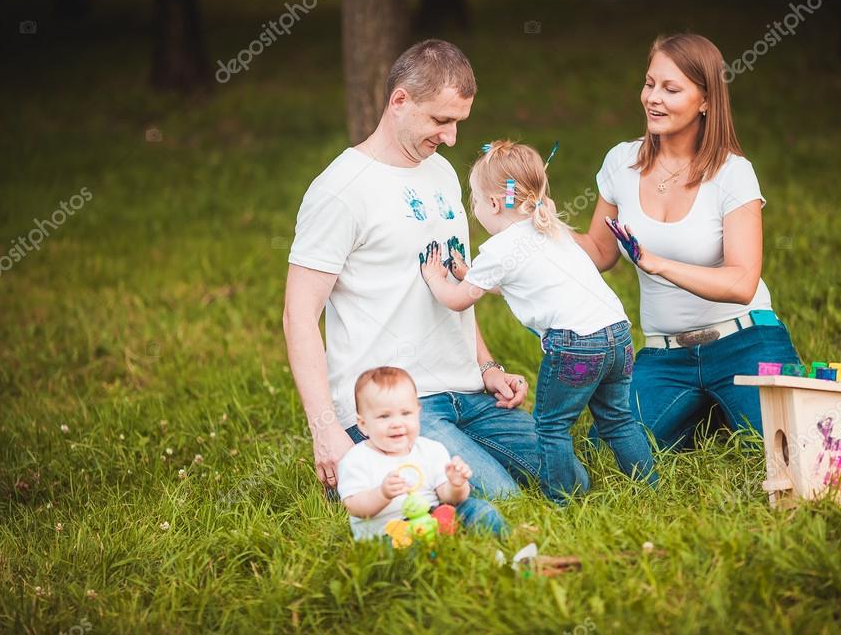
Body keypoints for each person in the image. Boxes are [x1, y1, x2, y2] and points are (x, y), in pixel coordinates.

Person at [284, 39, 554, 499]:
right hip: (395, 408)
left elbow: (454, 285)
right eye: (441, 120)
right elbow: (299, 317)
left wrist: (488, 367)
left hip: (468, 393)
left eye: (458, 123)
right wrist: (325, 432)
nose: (451, 137)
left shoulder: (443, 174)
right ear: (400, 101)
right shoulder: (340, 190)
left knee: (565, 478)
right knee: (498, 498)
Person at [573, 33, 801, 449]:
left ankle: (716, 404)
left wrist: (658, 263)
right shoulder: (620, 162)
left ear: (706, 100)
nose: (652, 99)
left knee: (788, 448)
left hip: (744, 341)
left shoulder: (733, 173)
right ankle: (705, 409)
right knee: (605, 453)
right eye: (649, 83)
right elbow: (600, 251)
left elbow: (741, 283)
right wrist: (543, 228)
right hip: (665, 356)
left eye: (671, 89)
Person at [420, 140, 654, 504]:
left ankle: (563, 501)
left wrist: (437, 278)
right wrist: (472, 274)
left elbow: (458, 299)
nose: (476, 208)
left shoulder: (498, 250)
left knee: (552, 426)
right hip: (618, 336)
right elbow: (520, 282)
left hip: (576, 347)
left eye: (476, 201)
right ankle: (652, 488)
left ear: (495, 204)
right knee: (618, 418)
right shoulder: (551, 227)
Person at [337, 367, 506, 540]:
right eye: (384, 416)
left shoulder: (431, 450)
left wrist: (456, 484)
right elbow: (354, 506)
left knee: (477, 509)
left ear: (418, 413)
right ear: (363, 424)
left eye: (406, 413)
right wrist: (382, 494)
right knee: (406, 546)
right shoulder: (356, 459)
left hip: (431, 518)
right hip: (390, 531)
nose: (397, 423)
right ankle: (426, 555)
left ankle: (505, 546)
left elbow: (447, 497)